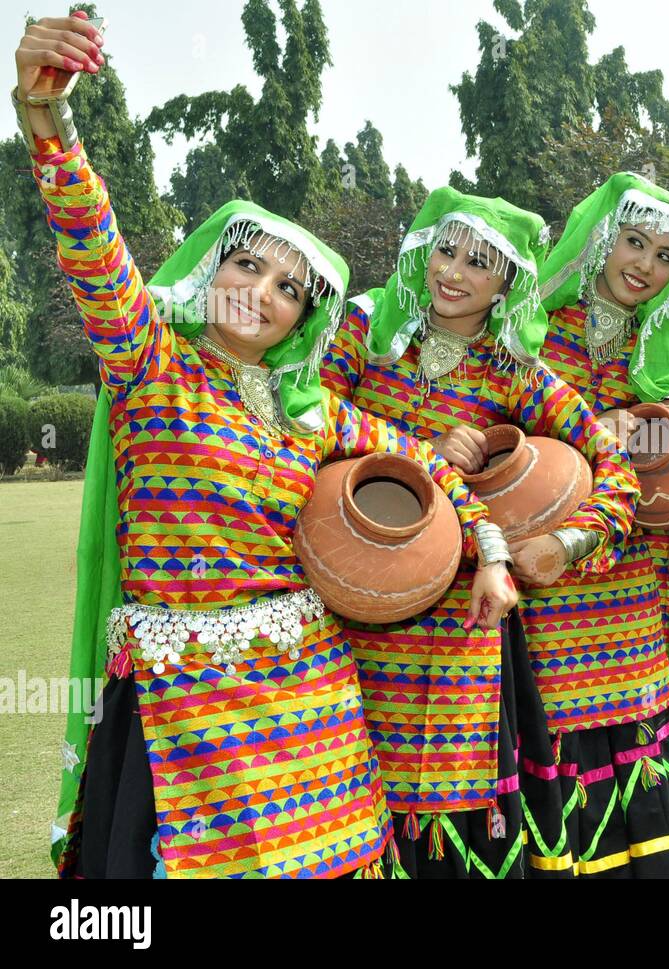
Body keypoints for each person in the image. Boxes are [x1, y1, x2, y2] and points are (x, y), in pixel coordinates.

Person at [19, 12, 517, 878]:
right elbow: (92, 246)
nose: (262, 292)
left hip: (311, 708)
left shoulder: (315, 413)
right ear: (212, 267)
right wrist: (46, 119)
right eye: (248, 265)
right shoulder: (151, 364)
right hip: (184, 707)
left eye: (290, 288)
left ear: (303, 320)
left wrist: (493, 554)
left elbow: (432, 467)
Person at [321, 188, 643, 877]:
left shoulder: (516, 371)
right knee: (344, 789)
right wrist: (419, 447)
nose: (454, 271)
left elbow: (617, 471)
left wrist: (567, 544)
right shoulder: (364, 334)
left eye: (480, 262)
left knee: (449, 794)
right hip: (347, 603)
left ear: (508, 286)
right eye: (446, 250)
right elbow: (302, 426)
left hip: (459, 627)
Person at [535, 172, 669, 877]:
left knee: (637, 759)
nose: (645, 266)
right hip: (542, 590)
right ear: (600, 238)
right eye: (634, 242)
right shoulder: (530, 335)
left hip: (628, 596)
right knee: (554, 755)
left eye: (665, 257)